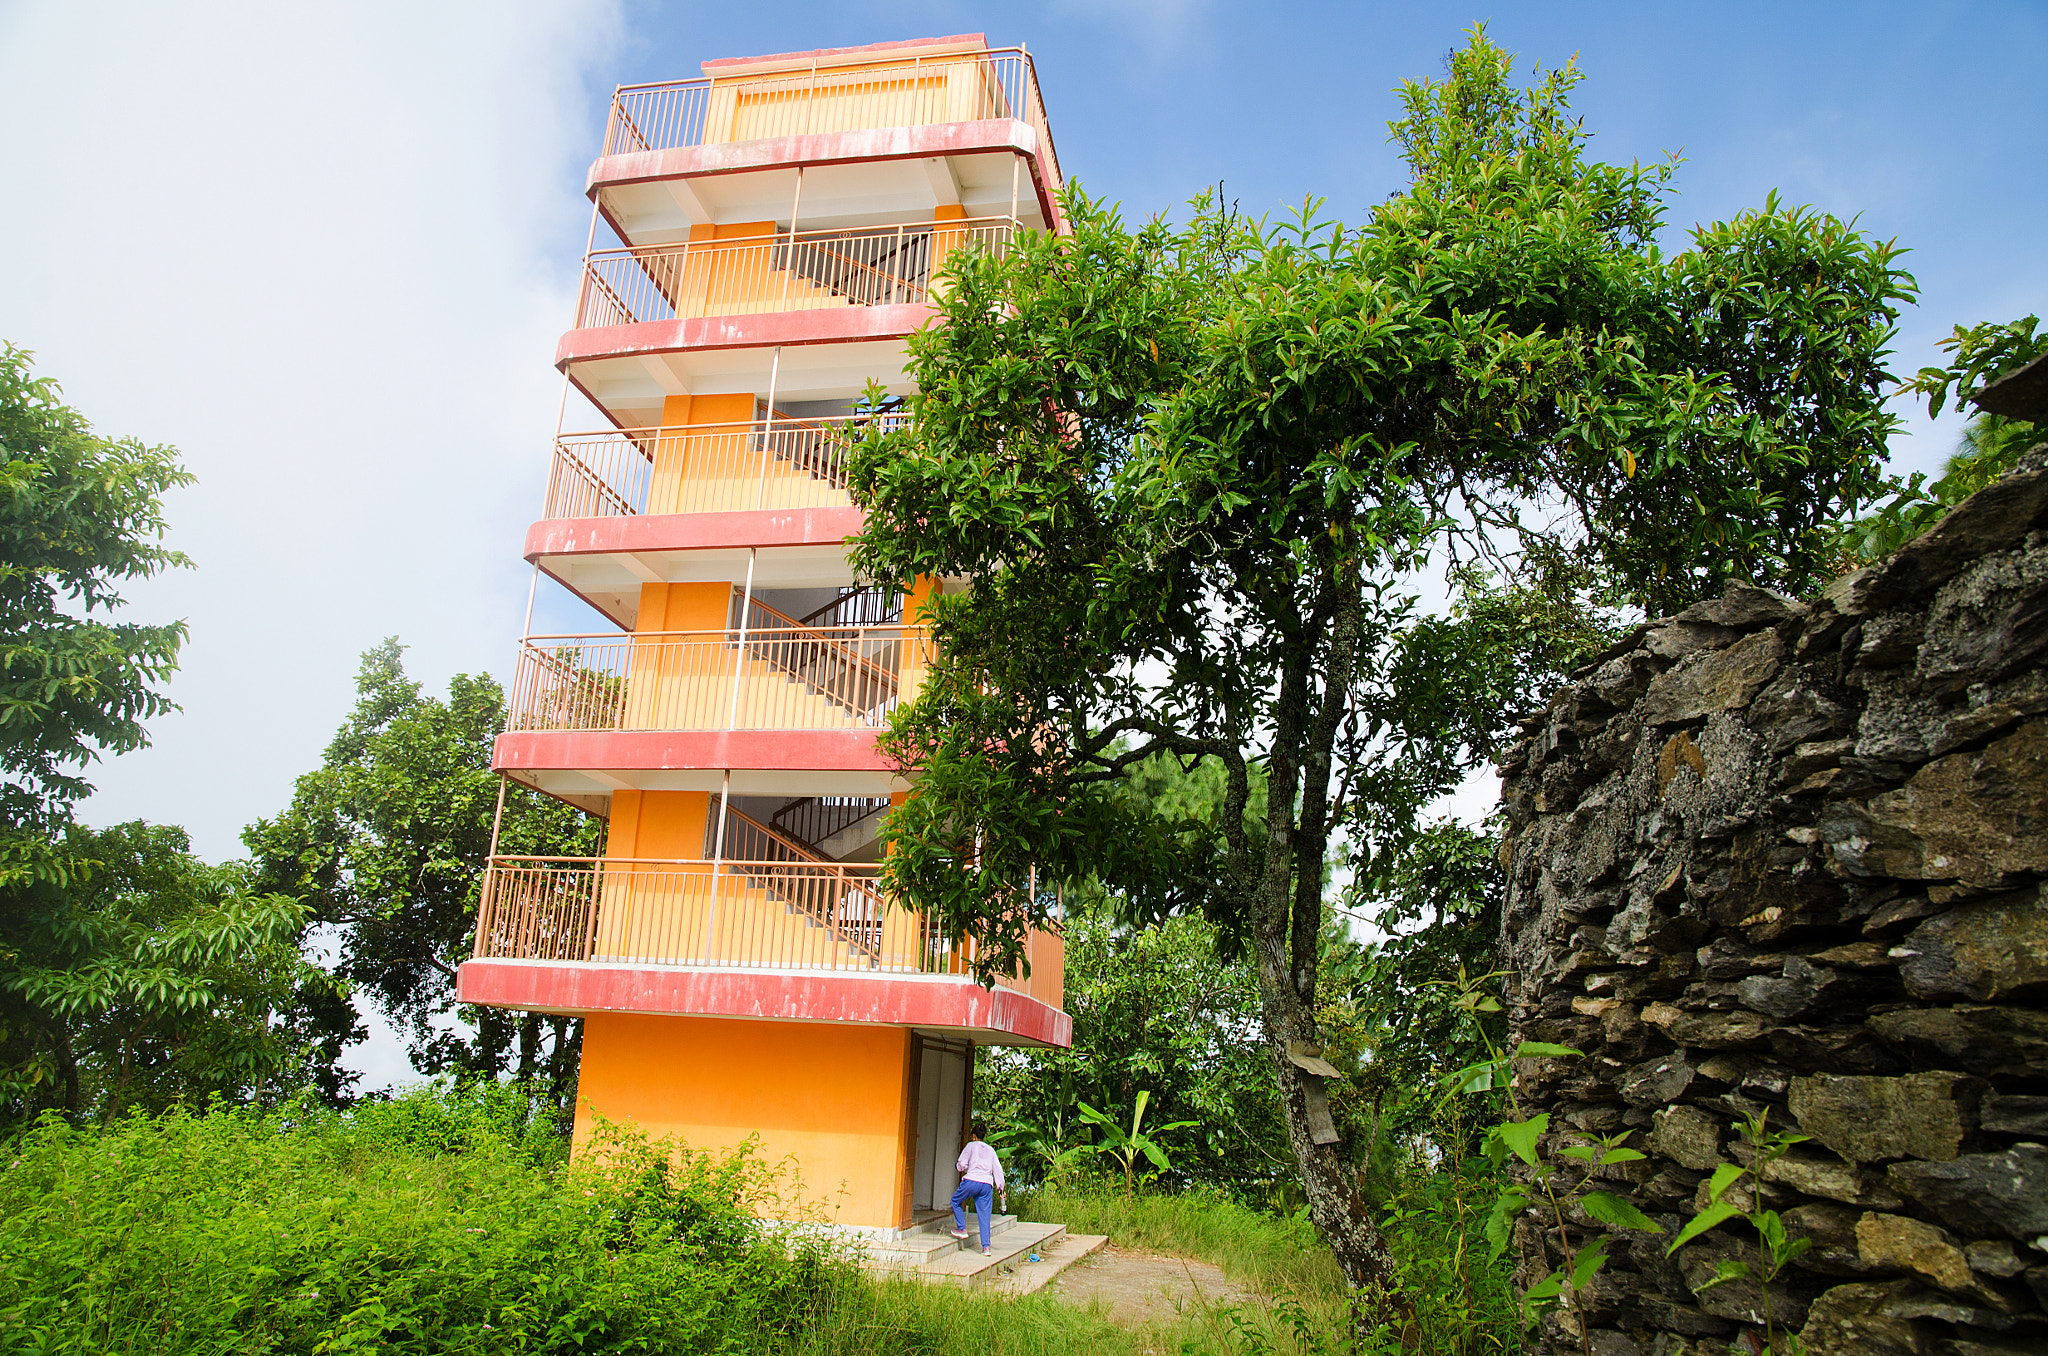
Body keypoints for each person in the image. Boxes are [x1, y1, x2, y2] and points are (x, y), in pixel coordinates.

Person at [950, 1121, 1006, 1255]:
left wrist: (958, 1167)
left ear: (974, 1136)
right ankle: (986, 1247)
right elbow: (998, 1170)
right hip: (986, 1184)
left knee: (955, 1201)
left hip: (972, 1180)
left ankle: (962, 1229)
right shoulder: (991, 1150)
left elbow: (961, 1164)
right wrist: (1001, 1188)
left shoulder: (971, 1146)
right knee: (985, 1216)